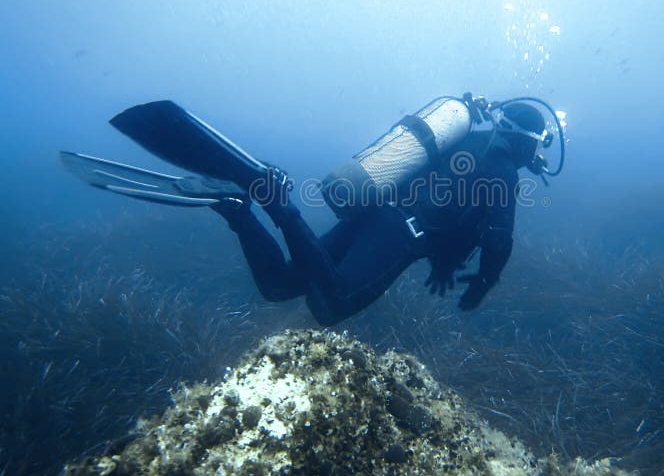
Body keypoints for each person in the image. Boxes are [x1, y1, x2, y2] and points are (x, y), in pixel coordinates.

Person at [61, 97, 555, 326]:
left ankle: (237, 208)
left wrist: (445, 265)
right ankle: (273, 200)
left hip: (375, 211)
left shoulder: (468, 135)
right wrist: (483, 284)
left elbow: (448, 199)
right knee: (331, 303)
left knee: (283, 287)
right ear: (530, 141)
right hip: (401, 232)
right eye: (543, 145)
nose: (541, 155)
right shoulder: (503, 169)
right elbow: (497, 240)